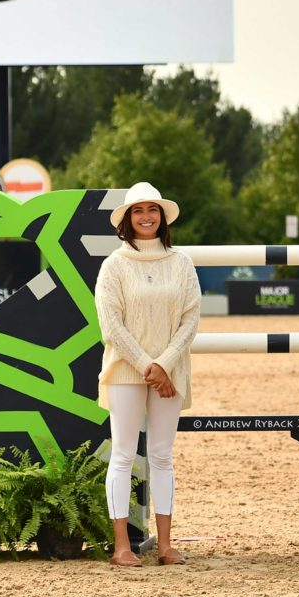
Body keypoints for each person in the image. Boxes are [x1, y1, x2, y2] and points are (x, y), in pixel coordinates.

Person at [95, 181, 201, 567]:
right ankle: (121, 545)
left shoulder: (182, 263)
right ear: (126, 219)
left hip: (170, 371)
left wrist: (163, 365)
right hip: (125, 371)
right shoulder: (114, 266)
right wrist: (146, 367)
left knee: (161, 455)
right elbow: (112, 326)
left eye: (151, 210)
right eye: (138, 211)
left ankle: (166, 545)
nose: (145, 217)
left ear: (162, 216)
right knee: (123, 454)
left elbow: (191, 319)